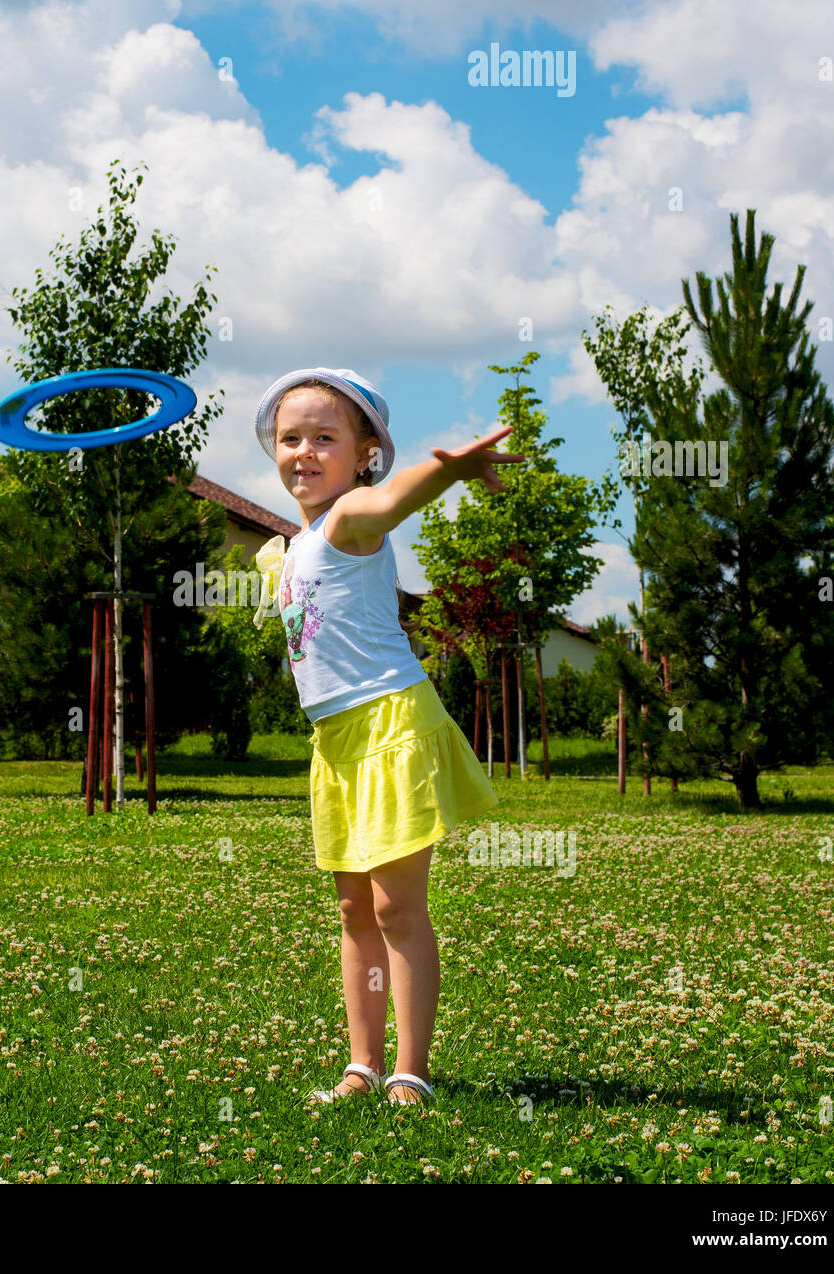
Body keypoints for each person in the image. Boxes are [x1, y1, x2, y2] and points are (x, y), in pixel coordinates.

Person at [252, 368, 525, 1107]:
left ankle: (412, 1070)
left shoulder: (350, 518)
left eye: (324, 438)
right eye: (290, 438)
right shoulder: (298, 542)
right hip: (335, 741)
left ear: (366, 453)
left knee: (395, 909)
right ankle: (361, 1065)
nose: (303, 451)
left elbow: (391, 501)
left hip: (391, 726)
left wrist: (451, 472)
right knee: (351, 911)